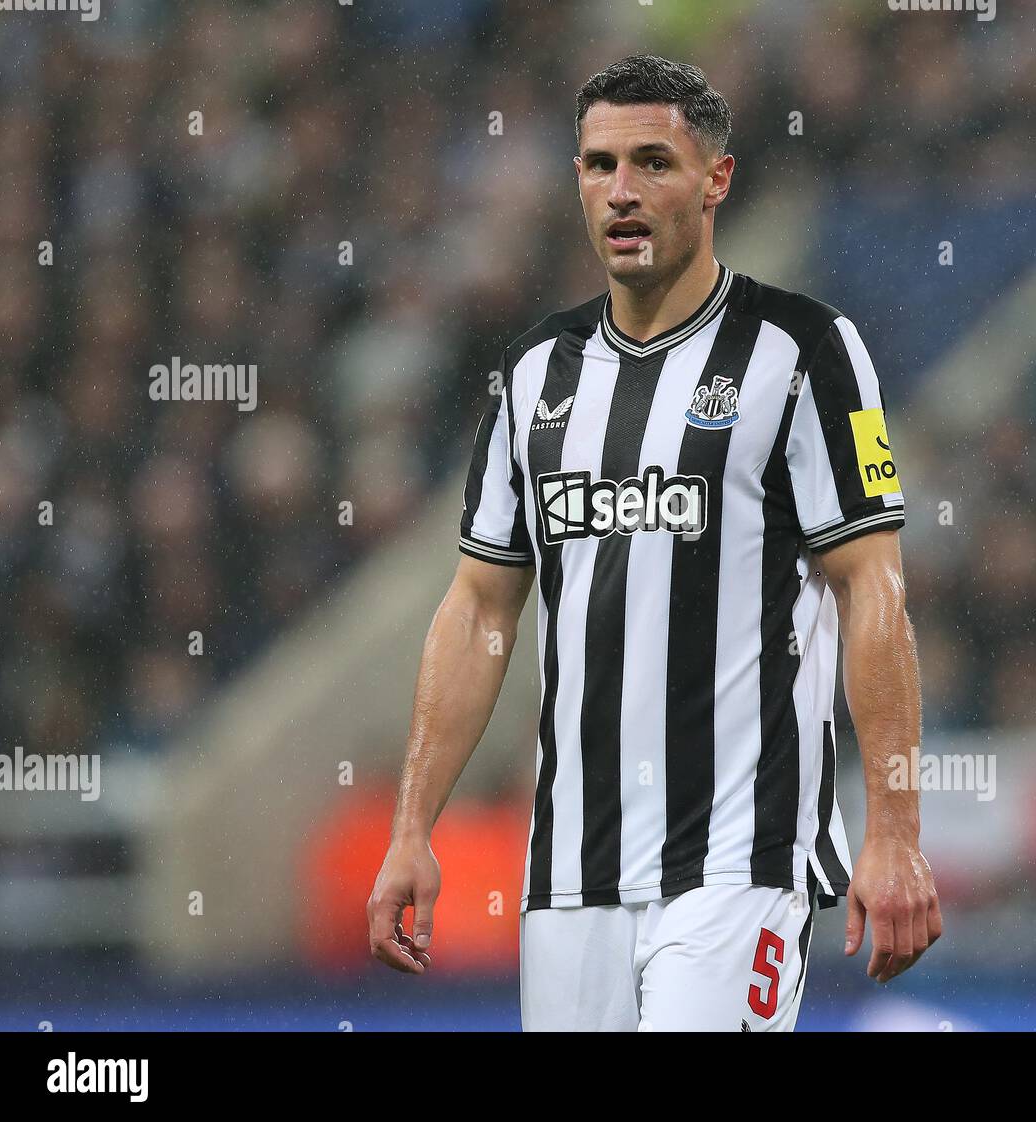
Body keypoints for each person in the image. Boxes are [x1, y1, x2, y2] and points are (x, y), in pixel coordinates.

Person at [366, 54, 941, 1031]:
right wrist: (411, 827)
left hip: (740, 857)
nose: (621, 192)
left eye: (651, 163)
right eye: (597, 166)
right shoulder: (535, 373)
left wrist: (895, 830)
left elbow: (871, 590)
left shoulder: (805, 350)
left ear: (715, 180)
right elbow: (477, 609)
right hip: (570, 874)